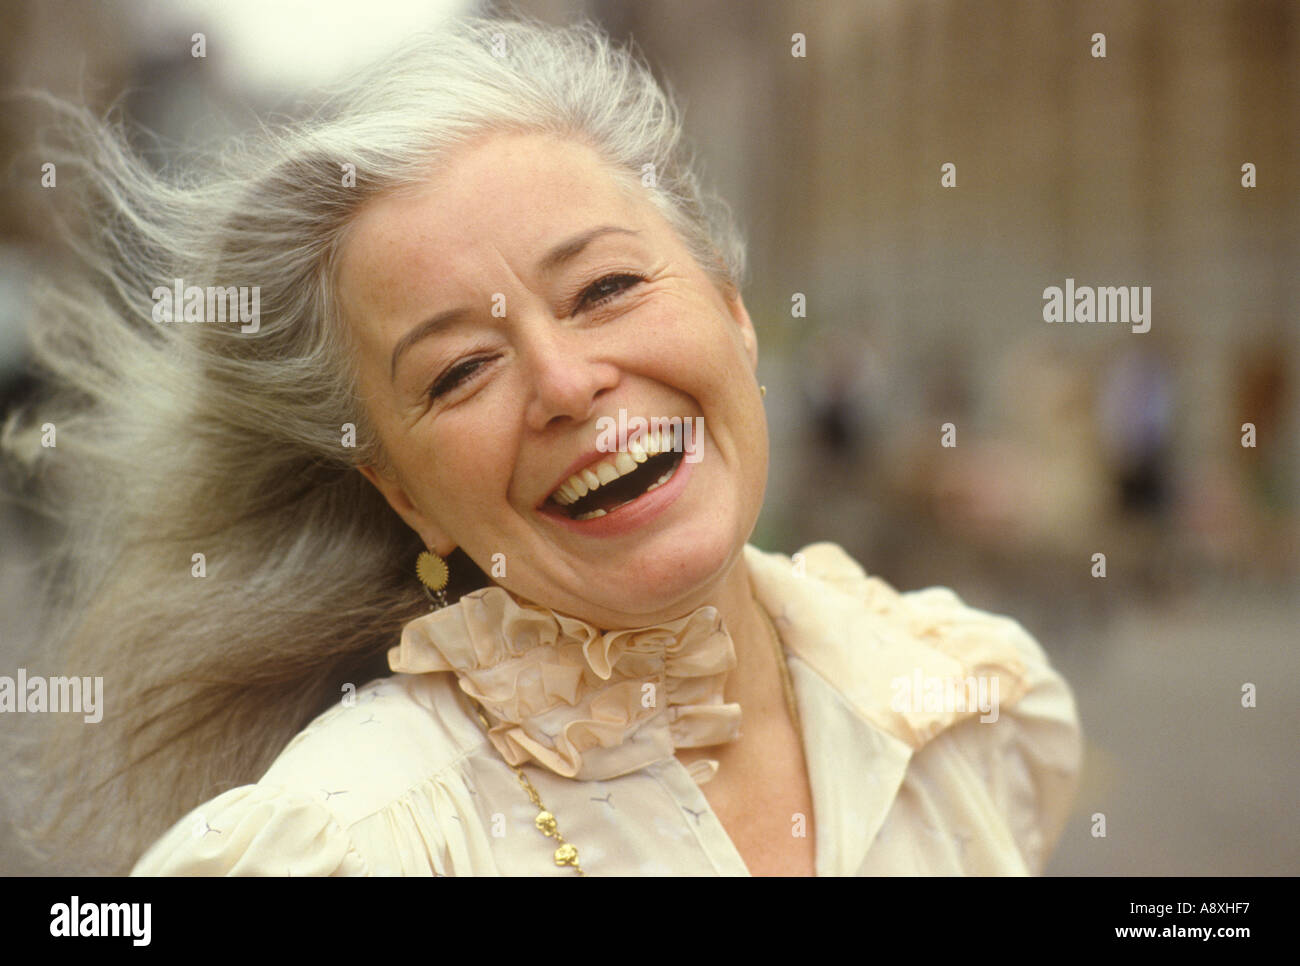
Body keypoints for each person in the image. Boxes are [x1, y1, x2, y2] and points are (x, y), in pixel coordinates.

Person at [4, 16, 1081, 876]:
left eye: (606, 288)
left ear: (731, 307)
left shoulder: (975, 705)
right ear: (402, 493)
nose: (566, 384)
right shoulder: (346, 845)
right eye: (459, 370)